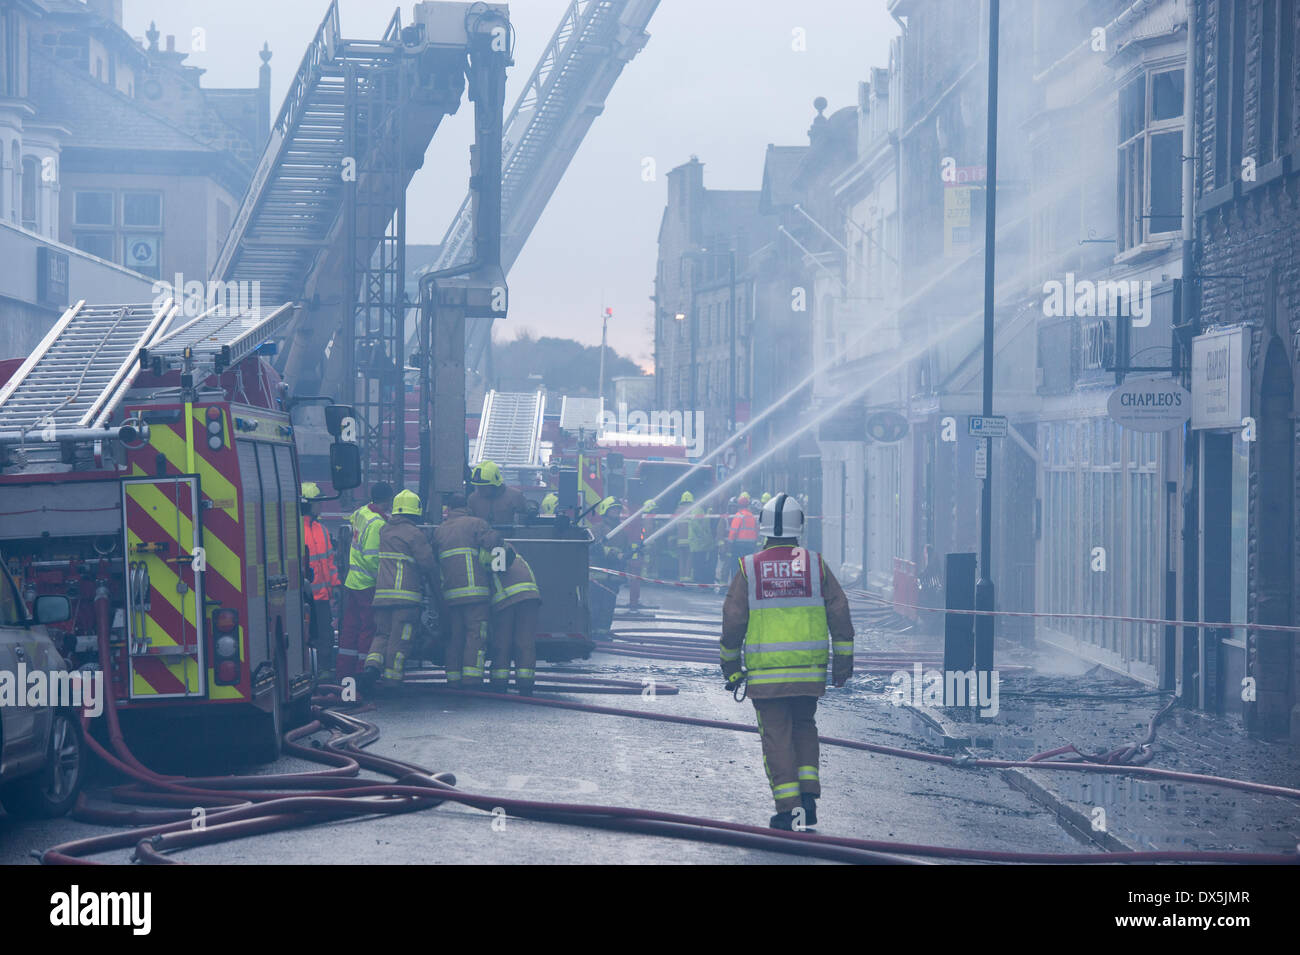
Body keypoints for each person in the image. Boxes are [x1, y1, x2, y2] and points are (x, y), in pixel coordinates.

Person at [720, 492, 855, 831]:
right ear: (800, 528)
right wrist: (842, 665)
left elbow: (733, 620)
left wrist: (731, 667)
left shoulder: (749, 568)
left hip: (768, 678)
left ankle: (789, 811)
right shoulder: (815, 564)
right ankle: (807, 800)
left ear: (763, 529)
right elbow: (840, 614)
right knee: (804, 728)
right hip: (809, 675)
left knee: (777, 736)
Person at [364, 490, 440, 689]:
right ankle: (393, 681)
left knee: (382, 635)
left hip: (381, 598)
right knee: (401, 639)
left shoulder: (385, 531)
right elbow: (428, 565)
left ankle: (371, 667)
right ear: (415, 513)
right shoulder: (415, 534)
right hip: (405, 600)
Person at [433, 496, 502, 689]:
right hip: (475, 593)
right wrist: (497, 534)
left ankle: (453, 679)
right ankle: (471, 680)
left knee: (455, 636)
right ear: (466, 507)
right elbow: (491, 543)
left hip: (450, 595)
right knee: (476, 635)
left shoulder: (439, 530)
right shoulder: (476, 523)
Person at [338, 483, 392, 681]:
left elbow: (353, 523)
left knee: (350, 626)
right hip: (368, 583)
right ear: (387, 500)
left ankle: (344, 671)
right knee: (368, 627)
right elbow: (371, 558)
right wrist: (383, 579)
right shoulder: (378, 524)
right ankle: (362, 671)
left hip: (353, 579)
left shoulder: (361, 513)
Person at [488, 545, 542, 695]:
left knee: (502, 643)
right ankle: (525, 685)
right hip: (530, 597)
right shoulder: (513, 554)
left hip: (505, 599)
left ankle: (499, 684)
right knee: (525, 643)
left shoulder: (486, 555)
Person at [301, 482, 341, 681]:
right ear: (309, 504)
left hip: (322, 597)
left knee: (325, 635)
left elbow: (330, 562)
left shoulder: (321, 530)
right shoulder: (296, 529)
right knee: (305, 638)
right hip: (304, 598)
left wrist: (336, 585)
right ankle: (308, 672)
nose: (321, 506)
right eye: (318, 502)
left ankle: (325, 672)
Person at [588, 496, 630, 635]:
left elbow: (625, 551)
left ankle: (603, 632)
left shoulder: (622, 532)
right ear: (605, 510)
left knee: (608, 607)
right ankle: (591, 631)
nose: (617, 512)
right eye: (613, 510)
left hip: (613, 577)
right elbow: (595, 547)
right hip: (597, 577)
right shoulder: (597, 529)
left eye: (618, 510)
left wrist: (628, 556)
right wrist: (615, 555)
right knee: (595, 605)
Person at [468, 460, 531, 525]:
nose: (479, 489)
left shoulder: (516, 497)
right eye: (477, 485)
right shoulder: (473, 499)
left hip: (510, 535)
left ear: (495, 485)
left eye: (483, 486)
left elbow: (523, 525)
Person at [727, 493, 759, 565]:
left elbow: (733, 531)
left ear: (739, 505)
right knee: (748, 565)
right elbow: (756, 530)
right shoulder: (752, 516)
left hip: (739, 545)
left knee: (738, 565)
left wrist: (729, 543)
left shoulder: (739, 515)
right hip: (751, 545)